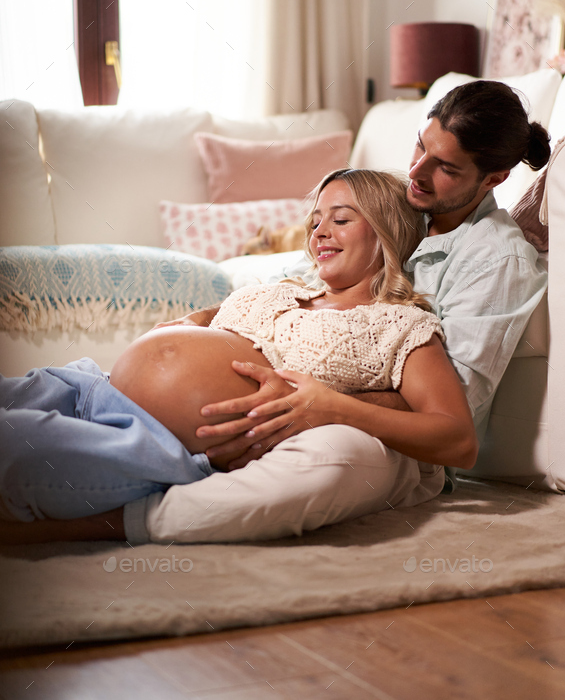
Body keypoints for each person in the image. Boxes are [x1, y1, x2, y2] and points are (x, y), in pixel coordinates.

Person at [0, 169, 476, 543]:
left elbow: (457, 439)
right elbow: (226, 319)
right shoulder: (286, 289)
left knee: (16, 446)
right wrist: (193, 322)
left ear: (386, 232)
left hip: (153, 444)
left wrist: (335, 406)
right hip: (89, 385)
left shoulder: (398, 325)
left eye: (341, 219)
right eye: (315, 221)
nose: (319, 233)